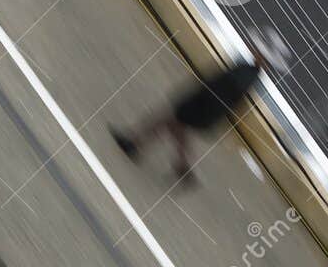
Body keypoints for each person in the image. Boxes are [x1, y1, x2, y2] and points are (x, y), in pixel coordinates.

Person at [110, 55, 262, 185]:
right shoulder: (249, 74)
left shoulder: (245, 74)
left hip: (201, 105)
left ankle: (134, 144)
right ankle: (181, 166)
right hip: (204, 108)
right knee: (174, 127)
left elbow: (220, 90)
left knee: (166, 121)